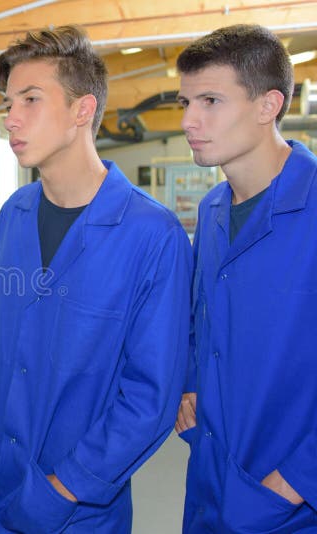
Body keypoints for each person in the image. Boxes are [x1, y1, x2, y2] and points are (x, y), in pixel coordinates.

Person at [0, 26, 192, 532]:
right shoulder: (15, 214)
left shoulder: (154, 237)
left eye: (30, 100)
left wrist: (62, 490)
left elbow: (150, 397)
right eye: (8, 103)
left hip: (78, 508)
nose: (11, 118)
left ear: (82, 110)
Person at [175, 24, 317, 532]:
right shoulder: (213, 209)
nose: (190, 120)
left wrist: (298, 479)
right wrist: (189, 384)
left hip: (290, 501)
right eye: (185, 102)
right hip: (211, 481)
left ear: (268, 105)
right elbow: (202, 315)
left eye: (210, 100)